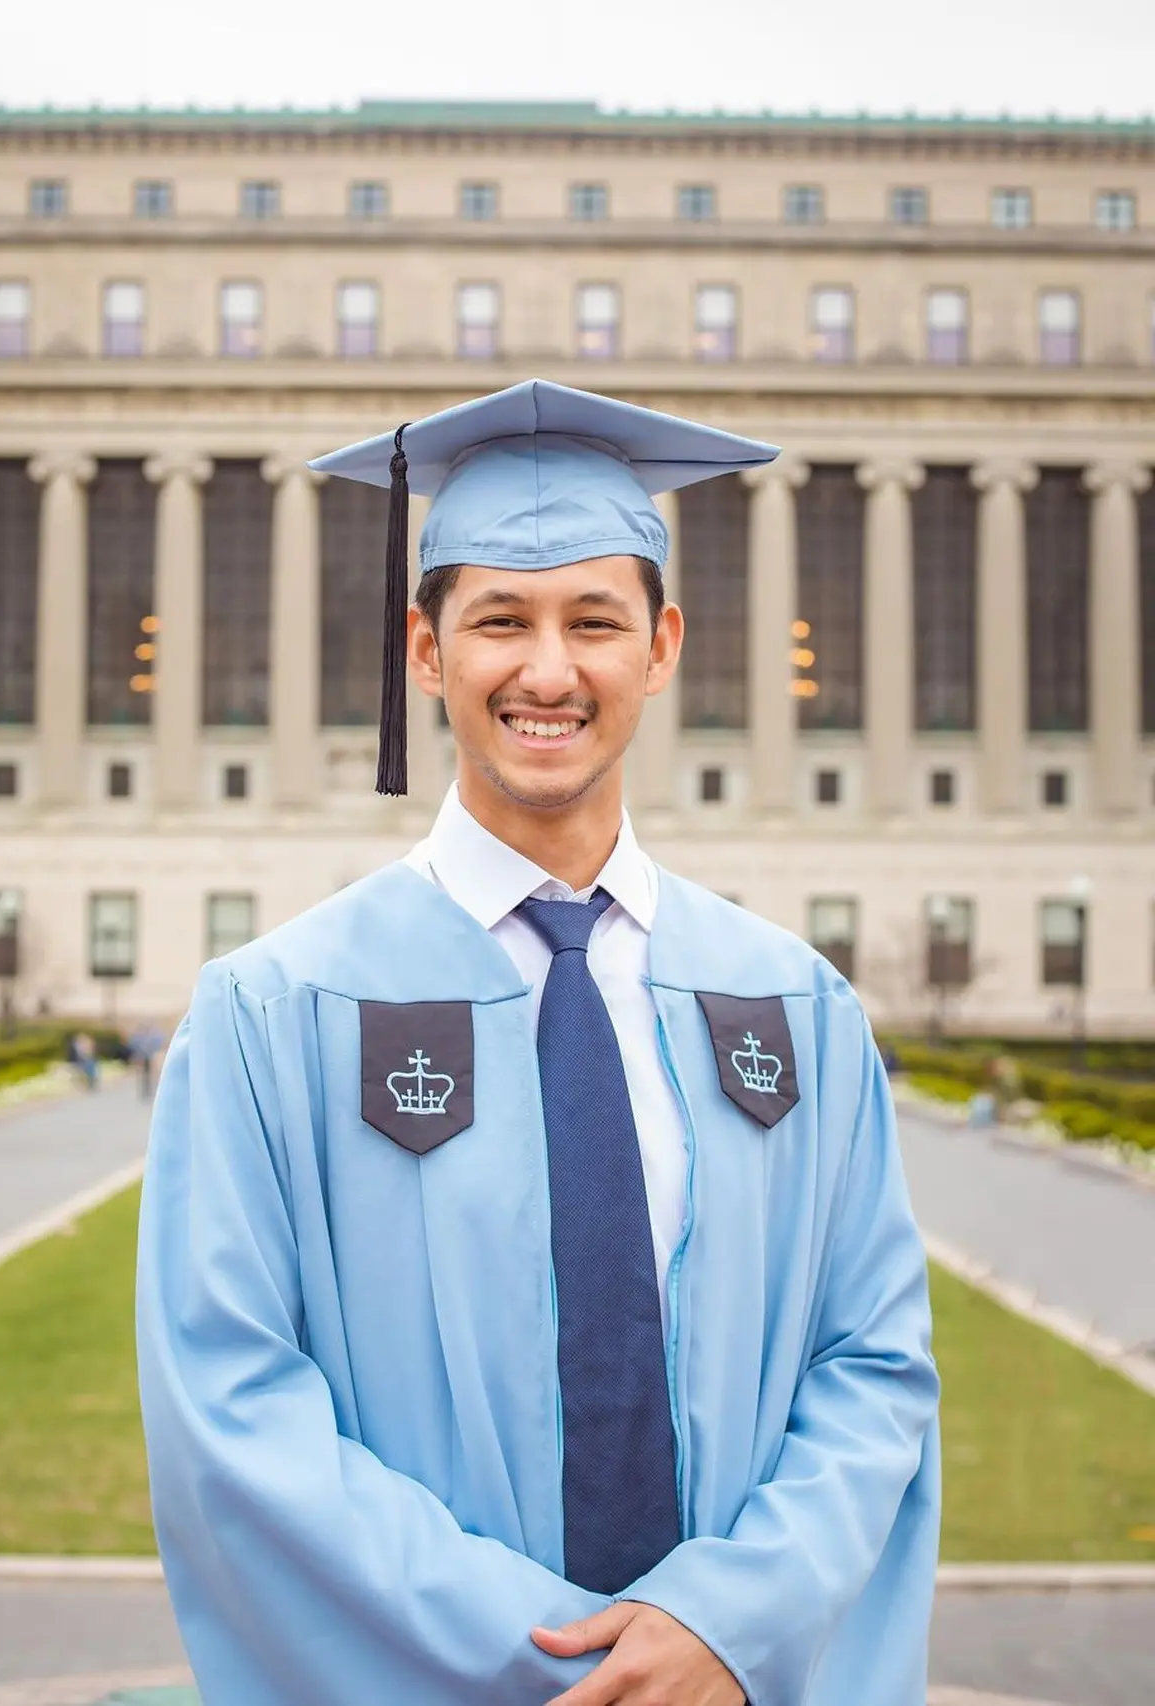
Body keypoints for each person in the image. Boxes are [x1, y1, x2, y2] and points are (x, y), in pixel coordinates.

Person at [137, 379, 941, 1706]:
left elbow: (873, 1364)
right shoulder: (269, 1013)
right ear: (425, 648)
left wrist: (724, 1625)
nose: (549, 669)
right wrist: (558, 1664)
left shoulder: (795, 1005)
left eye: (597, 621)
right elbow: (236, 1410)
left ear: (664, 644)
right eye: (501, 619)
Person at [127, 1020, 165, 1100]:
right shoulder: (138, 1037)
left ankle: (150, 1091)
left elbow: (159, 1043)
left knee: (151, 1075)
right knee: (142, 1076)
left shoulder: (153, 1036)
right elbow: (132, 1045)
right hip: (141, 1057)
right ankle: (144, 1092)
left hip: (150, 1057)